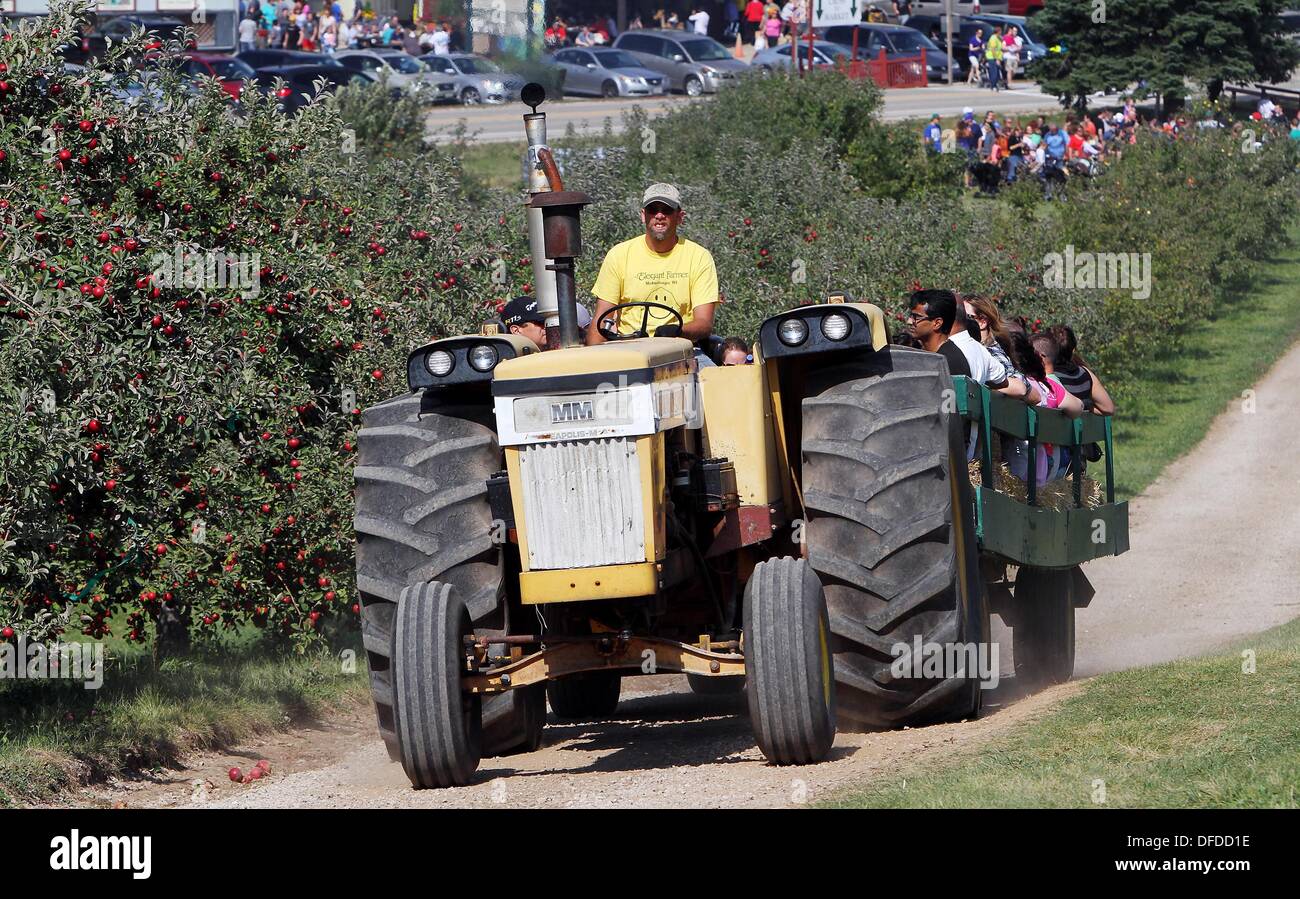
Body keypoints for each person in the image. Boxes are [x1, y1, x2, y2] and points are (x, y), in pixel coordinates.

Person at [589, 184, 719, 365]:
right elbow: (602, 318)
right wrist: (594, 362)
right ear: (643, 215)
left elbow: (704, 323)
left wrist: (676, 331)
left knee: (713, 384)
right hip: (629, 350)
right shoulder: (619, 255)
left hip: (681, 351)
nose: (659, 215)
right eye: (653, 209)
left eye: (666, 210)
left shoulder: (699, 257)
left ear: (680, 217)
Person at [906, 289, 970, 379]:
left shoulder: (947, 362)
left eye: (916, 317)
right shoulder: (936, 357)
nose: (909, 321)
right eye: (910, 316)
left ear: (937, 323)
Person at [984, 25, 1003, 91]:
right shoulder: (993, 38)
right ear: (998, 31)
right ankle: (993, 85)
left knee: (997, 72)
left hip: (997, 57)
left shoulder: (998, 38)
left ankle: (994, 84)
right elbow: (993, 49)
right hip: (992, 57)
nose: (1001, 32)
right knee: (994, 72)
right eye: (1000, 31)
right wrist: (996, 58)